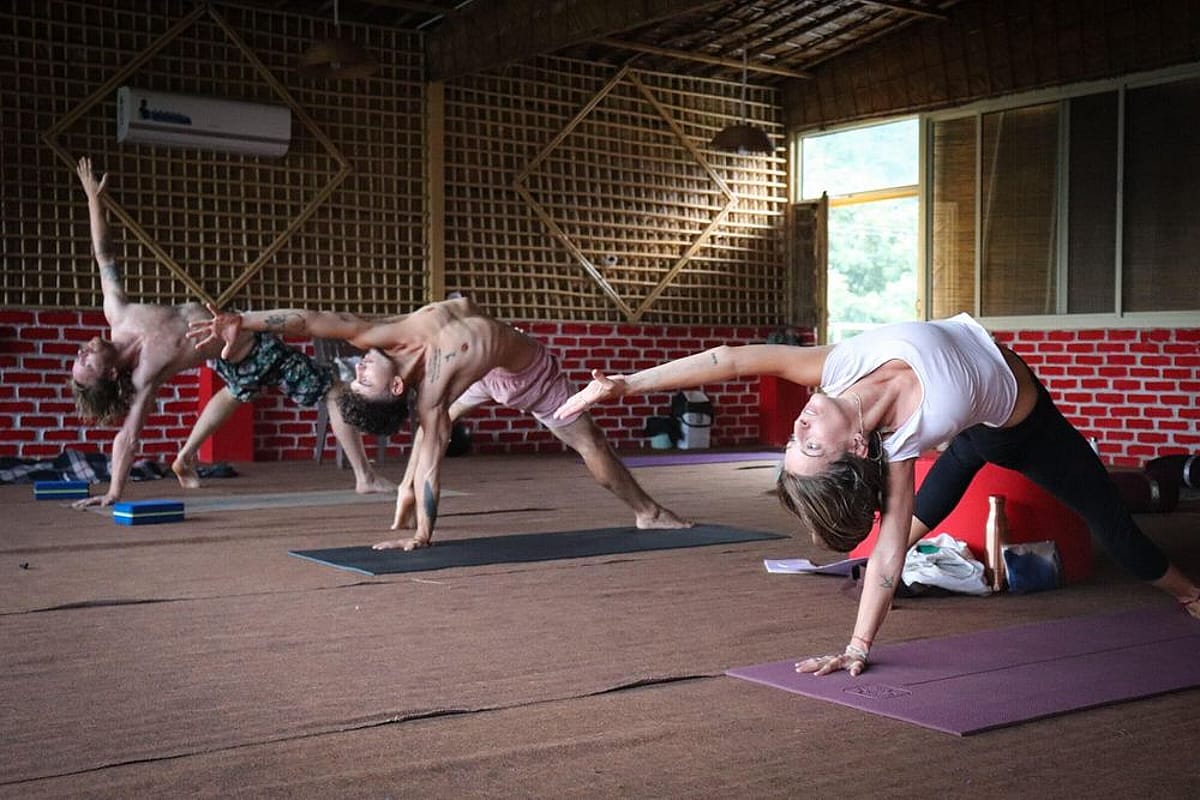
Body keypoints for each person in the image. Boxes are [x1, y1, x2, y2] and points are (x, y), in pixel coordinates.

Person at [553, 313, 1200, 676]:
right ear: (856, 450)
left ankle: (1186, 588)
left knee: (1081, 521)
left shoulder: (832, 373)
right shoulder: (902, 442)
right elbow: (891, 549)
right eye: (807, 444)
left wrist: (626, 385)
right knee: (1103, 527)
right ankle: (1195, 596)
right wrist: (859, 646)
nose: (798, 424)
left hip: (995, 424)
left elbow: (728, 358)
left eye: (792, 439)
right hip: (1016, 433)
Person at [187, 296, 691, 550]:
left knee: (576, 437)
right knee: (587, 441)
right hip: (513, 376)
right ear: (397, 390)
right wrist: (424, 535)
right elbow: (431, 457)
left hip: (497, 370)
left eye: (358, 373)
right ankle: (648, 510)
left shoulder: (382, 339)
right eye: (365, 380)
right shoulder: (431, 386)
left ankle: (402, 504)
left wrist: (245, 320)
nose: (358, 368)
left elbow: (312, 320)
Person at [68, 156, 392, 507]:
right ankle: (365, 477)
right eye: (85, 362)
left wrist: (93, 201)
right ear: (112, 372)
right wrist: (114, 492)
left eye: (80, 355)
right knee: (334, 390)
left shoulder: (118, 313)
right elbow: (128, 436)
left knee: (239, 389)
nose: (82, 351)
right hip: (253, 350)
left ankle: (186, 457)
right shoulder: (145, 375)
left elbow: (104, 256)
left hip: (224, 352)